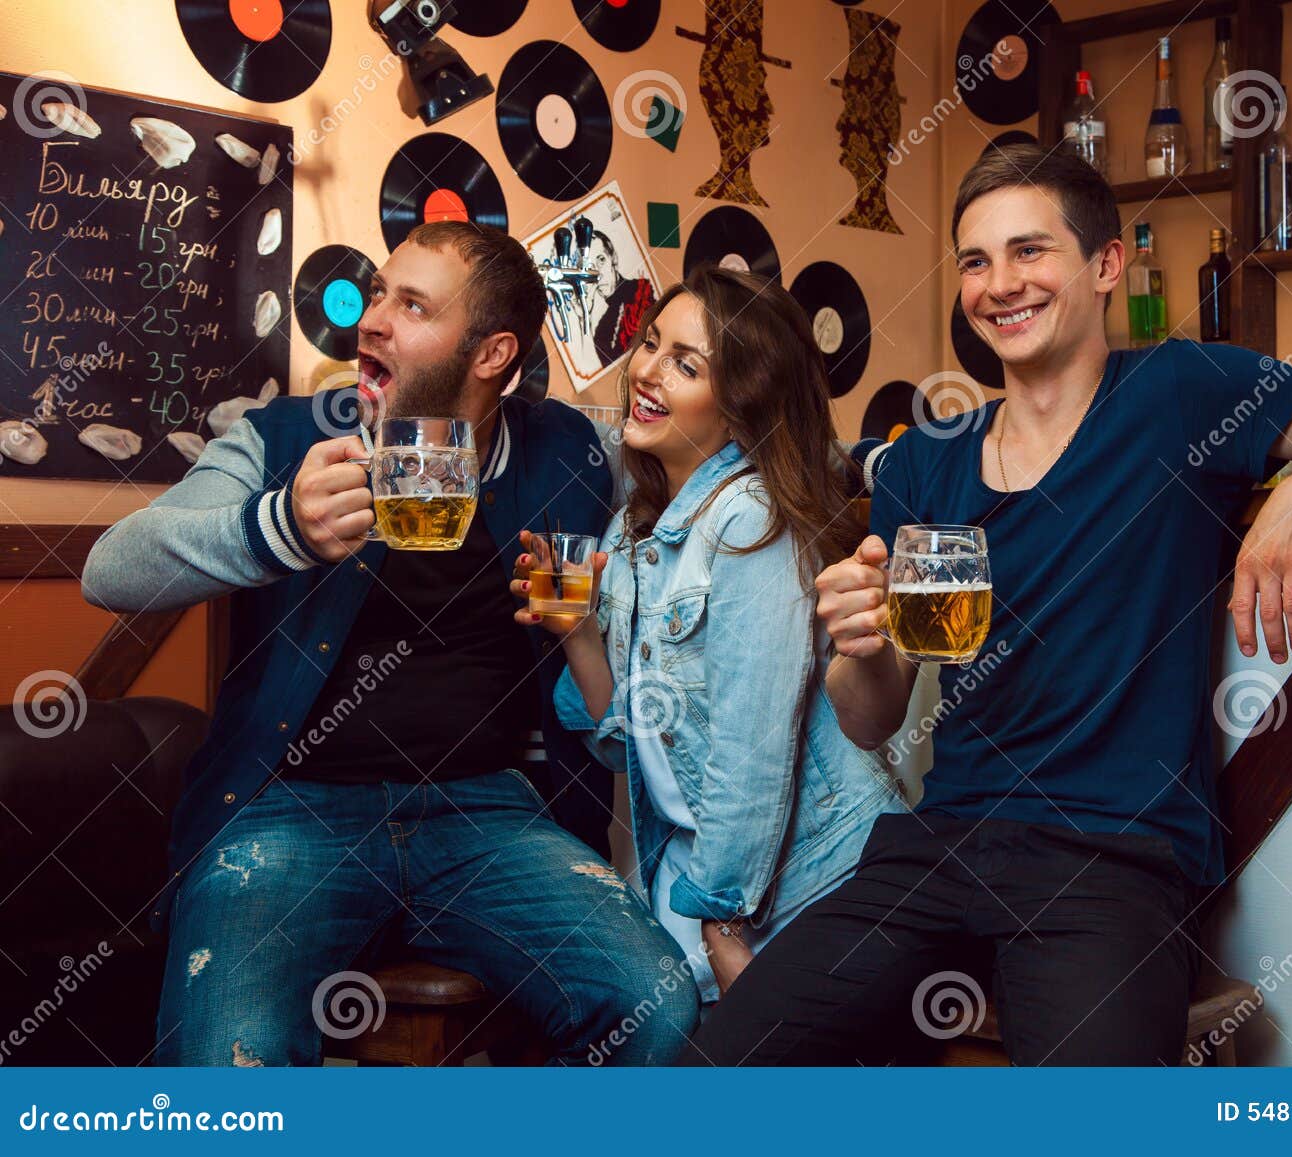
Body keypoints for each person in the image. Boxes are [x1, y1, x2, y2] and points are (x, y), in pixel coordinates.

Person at [683, 143, 1292, 1065]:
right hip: (938, 849)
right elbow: (872, 719)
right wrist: (859, 644)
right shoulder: (924, 461)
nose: (1000, 284)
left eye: (1031, 251)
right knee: (717, 1065)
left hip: (1113, 861)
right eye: (978, 262)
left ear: (1106, 265)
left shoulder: (1183, 394)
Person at [82, 220, 698, 1066]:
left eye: (411, 305)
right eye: (379, 293)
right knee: (231, 1063)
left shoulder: (570, 451)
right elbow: (109, 569)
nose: (373, 320)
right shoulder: (284, 438)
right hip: (291, 813)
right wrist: (278, 527)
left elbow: (720, 451)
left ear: (491, 354)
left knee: (657, 1008)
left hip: (488, 814)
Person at [513, 266, 909, 1004]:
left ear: (740, 408)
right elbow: (630, 739)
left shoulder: (749, 519)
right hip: (699, 882)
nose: (648, 371)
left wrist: (724, 927)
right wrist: (576, 633)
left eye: (685, 364)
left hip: (809, 885)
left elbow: (749, 757)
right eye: (651, 344)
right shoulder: (632, 536)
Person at [586, 229, 656, 368]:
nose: (596, 275)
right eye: (587, 268)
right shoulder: (601, 333)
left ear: (614, 259)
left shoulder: (642, 288)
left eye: (601, 260)